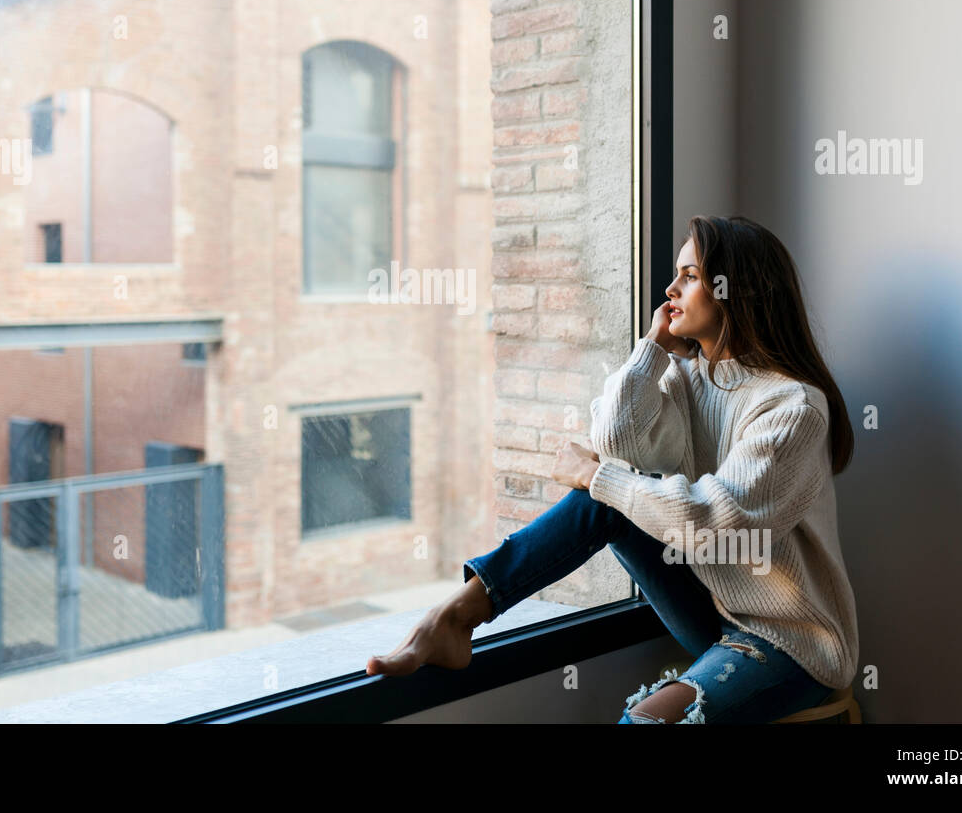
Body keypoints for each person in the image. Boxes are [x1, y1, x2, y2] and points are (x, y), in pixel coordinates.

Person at [365, 215, 860, 723]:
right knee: (603, 499)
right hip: (714, 610)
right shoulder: (686, 378)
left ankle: (455, 619)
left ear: (740, 290)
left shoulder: (793, 408)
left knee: (642, 721)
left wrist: (595, 476)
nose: (670, 289)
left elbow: (714, 523)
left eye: (689, 276)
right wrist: (652, 349)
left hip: (792, 642)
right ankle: (455, 618)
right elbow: (616, 440)